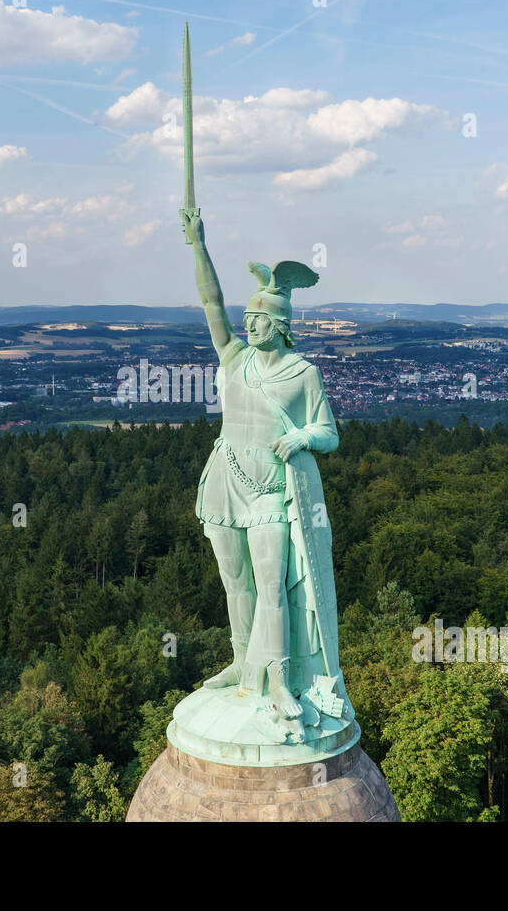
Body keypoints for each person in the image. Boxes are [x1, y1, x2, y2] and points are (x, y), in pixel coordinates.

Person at [182, 208, 344, 722]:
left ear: (280, 326)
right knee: (236, 582)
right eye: (247, 320)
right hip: (225, 478)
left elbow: (329, 434)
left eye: (258, 322)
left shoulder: (304, 375)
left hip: (272, 490)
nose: (248, 327)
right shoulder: (233, 358)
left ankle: (277, 678)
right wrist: (197, 245)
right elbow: (211, 301)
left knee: (272, 585)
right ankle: (240, 660)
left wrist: (300, 436)